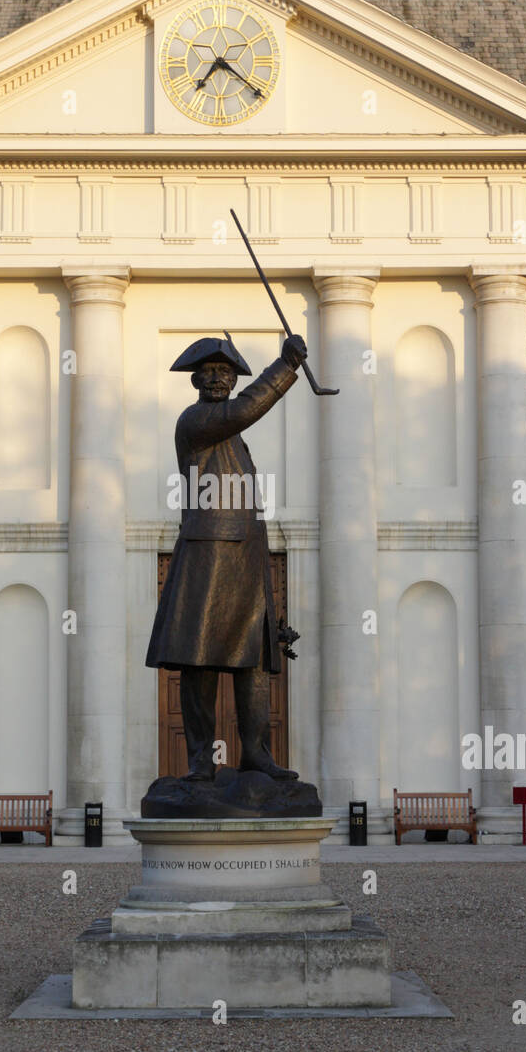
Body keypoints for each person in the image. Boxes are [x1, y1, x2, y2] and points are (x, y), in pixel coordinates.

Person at [146, 332, 307, 782]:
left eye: (226, 372)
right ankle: (200, 759)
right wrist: (285, 368)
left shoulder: (231, 436)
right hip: (208, 553)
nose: (218, 378)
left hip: (248, 556)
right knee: (198, 658)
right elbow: (242, 412)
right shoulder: (196, 421)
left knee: (253, 657)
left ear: (235, 378)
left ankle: (255, 752)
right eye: (211, 372)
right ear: (196, 379)